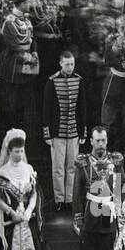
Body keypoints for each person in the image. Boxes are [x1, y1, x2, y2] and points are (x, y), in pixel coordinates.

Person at [72, 126, 125, 250]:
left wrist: (120, 214)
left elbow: (120, 188)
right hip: (89, 214)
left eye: (103, 140)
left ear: (107, 141)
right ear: (91, 141)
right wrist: (78, 218)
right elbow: (77, 192)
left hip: (108, 214)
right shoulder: (83, 162)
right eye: (98, 140)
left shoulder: (116, 161)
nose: (101, 144)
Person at [43, 50, 88, 211]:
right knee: (58, 167)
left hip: (74, 131)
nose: (70, 67)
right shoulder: (52, 81)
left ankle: (70, 199)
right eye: (67, 64)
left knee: (72, 167)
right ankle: (59, 199)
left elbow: (82, 107)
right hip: (57, 132)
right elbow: (46, 109)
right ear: (61, 63)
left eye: (72, 64)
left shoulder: (79, 80)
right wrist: (47, 133)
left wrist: (83, 132)